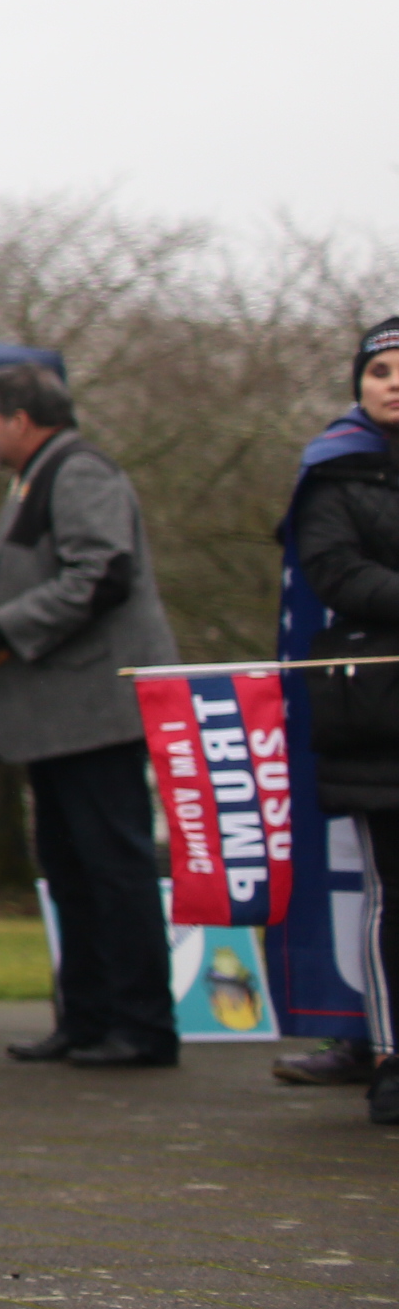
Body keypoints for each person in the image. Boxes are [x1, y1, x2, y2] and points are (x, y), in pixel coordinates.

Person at [0, 360, 181, 1068]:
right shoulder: (38, 475)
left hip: (94, 710)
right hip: (56, 718)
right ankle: (85, 1018)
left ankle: (141, 1026)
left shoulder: (78, 472)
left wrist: (0, 628)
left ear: (22, 419)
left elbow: (101, 572)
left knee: (113, 867)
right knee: (71, 870)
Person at [276, 317, 399, 1123]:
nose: (394, 381)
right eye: (380, 369)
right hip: (378, 715)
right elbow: (335, 572)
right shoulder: (332, 474)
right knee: (394, 894)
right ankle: (390, 1058)